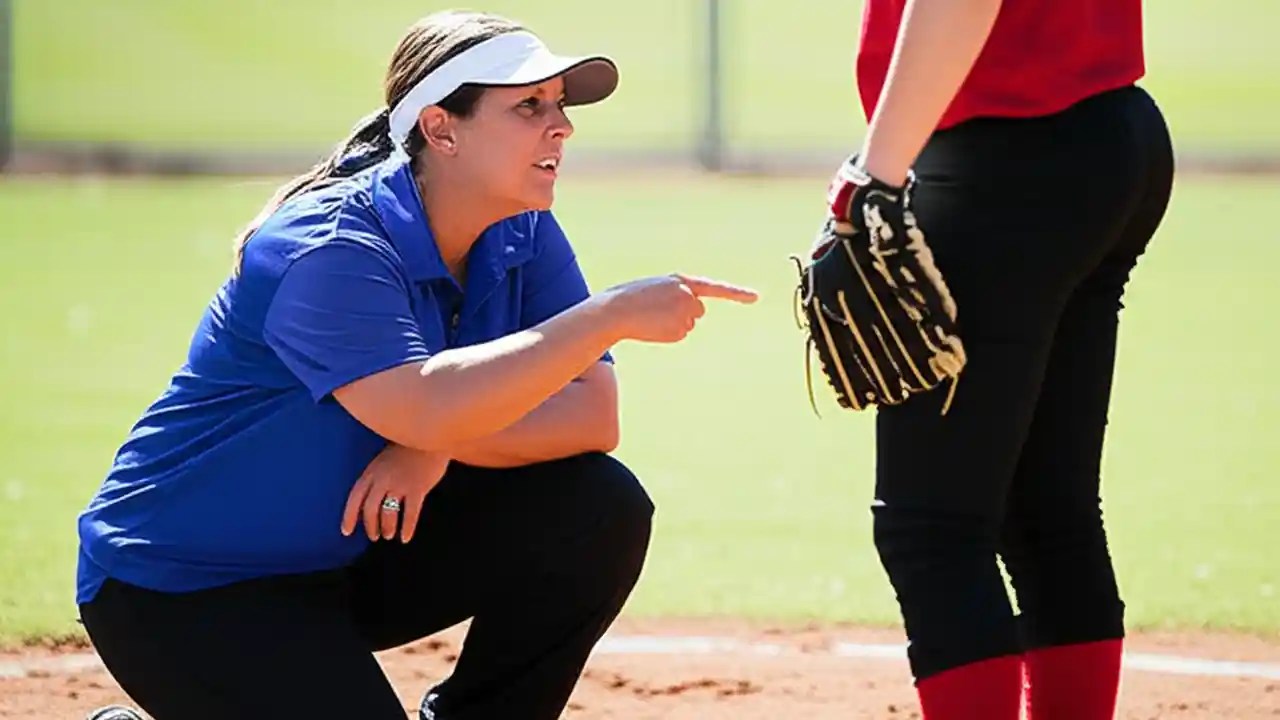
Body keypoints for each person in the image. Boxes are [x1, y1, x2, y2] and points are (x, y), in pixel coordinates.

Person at [74, 10, 757, 720]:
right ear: (440, 128)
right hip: (186, 582)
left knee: (598, 509)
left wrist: (432, 441)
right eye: (529, 106)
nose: (562, 126)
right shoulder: (328, 245)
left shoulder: (520, 226)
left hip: (350, 554)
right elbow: (426, 407)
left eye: (559, 105)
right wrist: (607, 315)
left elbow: (593, 415)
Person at [823, 0, 1175, 718]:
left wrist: (874, 175)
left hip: (1009, 150)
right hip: (1107, 134)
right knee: (1047, 509)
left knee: (932, 530)